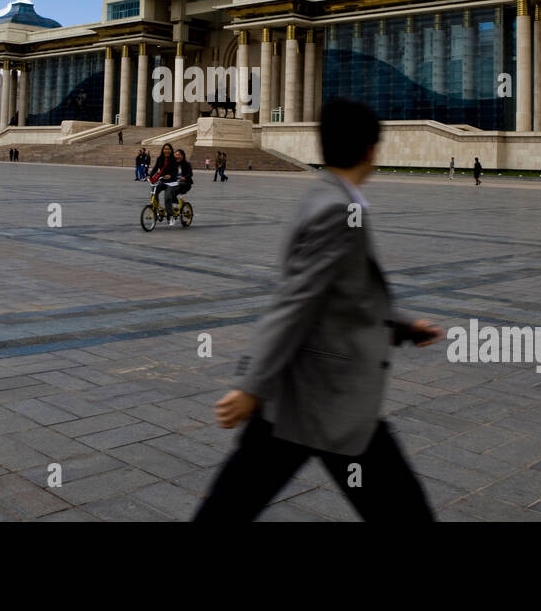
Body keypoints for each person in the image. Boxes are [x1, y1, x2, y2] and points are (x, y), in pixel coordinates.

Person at [193, 98, 445, 522]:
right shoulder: (337, 211)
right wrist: (250, 386)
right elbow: (296, 301)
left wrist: (402, 327)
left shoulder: (322, 197)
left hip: (301, 400)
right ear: (370, 150)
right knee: (407, 512)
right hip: (327, 396)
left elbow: (340, 296)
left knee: (232, 504)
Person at [148, 144, 178, 219]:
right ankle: (156, 209)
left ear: (171, 150)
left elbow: (176, 171)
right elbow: (155, 168)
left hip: (171, 182)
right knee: (154, 191)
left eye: (168, 149)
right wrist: (150, 175)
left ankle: (170, 214)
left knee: (167, 197)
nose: (167, 151)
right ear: (162, 150)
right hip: (163, 180)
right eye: (165, 149)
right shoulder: (160, 158)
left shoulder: (174, 159)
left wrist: (170, 175)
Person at [163, 148, 193, 216]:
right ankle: (175, 206)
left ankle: (176, 206)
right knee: (169, 192)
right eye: (175, 155)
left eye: (178, 155)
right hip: (175, 183)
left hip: (185, 183)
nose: (176, 156)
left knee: (172, 190)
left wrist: (184, 177)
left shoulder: (187, 164)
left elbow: (190, 174)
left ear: (182, 156)